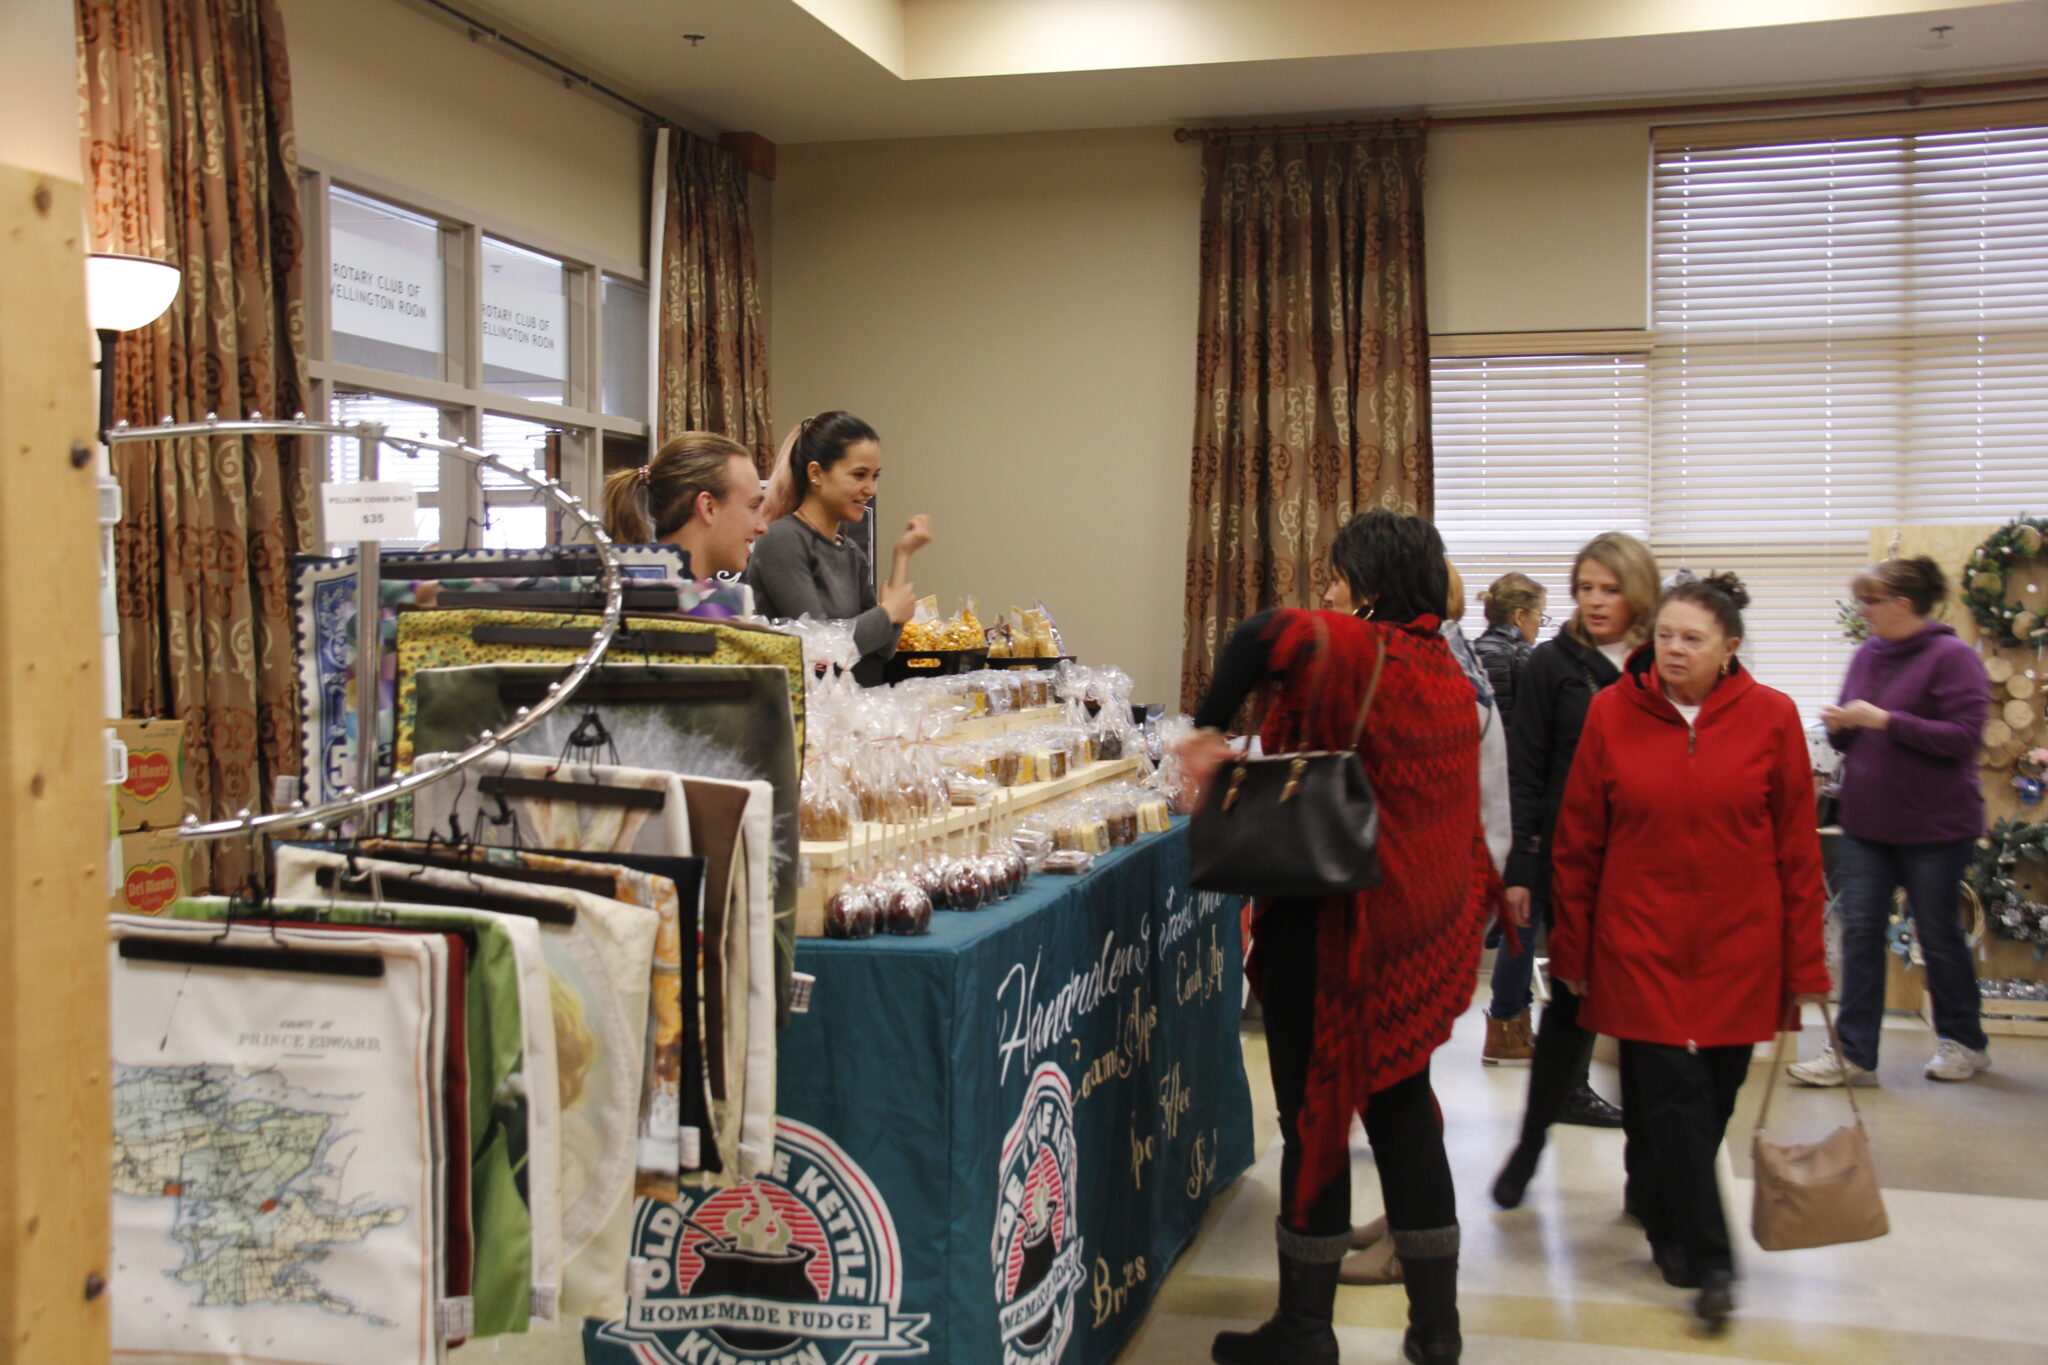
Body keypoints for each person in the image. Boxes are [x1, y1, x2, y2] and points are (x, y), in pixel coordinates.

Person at [1179, 510, 1497, 1365]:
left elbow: (1258, 634)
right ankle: (1437, 1329)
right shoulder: (1448, 673)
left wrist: (1204, 731)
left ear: (1371, 585)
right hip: (1411, 940)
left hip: (1331, 938)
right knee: (1405, 1119)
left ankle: (1305, 1329)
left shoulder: (1363, 648)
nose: (1326, 590)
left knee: (1314, 1122)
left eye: (1336, 576)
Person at [1547, 572, 1829, 1328]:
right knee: (1673, 1089)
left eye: (1693, 639)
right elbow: (1579, 839)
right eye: (1665, 635)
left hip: (1743, 943)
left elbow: (1798, 848)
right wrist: (1571, 947)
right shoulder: (1612, 712)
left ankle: (1657, 1199)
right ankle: (1711, 1258)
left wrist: (1806, 961)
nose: (1674, 649)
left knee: (1712, 1094)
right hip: (1638, 936)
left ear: (1729, 649)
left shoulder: (1772, 716)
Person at [1489, 533, 1659, 1172]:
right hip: (1573, 853)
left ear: (1638, 592)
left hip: (1647, 854)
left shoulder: (1660, 657)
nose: (1595, 601)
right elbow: (1526, 768)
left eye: (1610, 589)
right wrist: (1520, 868)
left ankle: (1648, 1150)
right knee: (1575, 984)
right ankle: (1560, 1101)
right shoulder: (1551, 664)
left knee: (1641, 994)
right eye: (1585, 588)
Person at [1790, 556, 1992, 1087]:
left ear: (1903, 604)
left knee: (1938, 935)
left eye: (1871, 602)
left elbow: (1964, 737)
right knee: (1859, 934)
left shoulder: (1953, 658)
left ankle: (1964, 1041)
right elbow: (1848, 734)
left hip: (1936, 829)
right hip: (1867, 825)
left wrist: (1885, 721)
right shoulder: (1866, 655)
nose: (1864, 611)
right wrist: (1840, 725)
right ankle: (1853, 1053)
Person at [746, 411, 934, 686]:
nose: (871, 489)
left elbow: (882, 650)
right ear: (816, 473)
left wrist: (902, 555)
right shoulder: (782, 539)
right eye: (859, 475)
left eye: (875, 476)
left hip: (847, 704)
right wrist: (887, 613)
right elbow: (819, 647)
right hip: (797, 705)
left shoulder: (851, 552)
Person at [599, 430, 767, 577]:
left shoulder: (630, 591)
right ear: (708, 508)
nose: (762, 528)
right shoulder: (681, 603)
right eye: (752, 507)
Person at [1472, 572, 1546, 724]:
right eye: (1540, 614)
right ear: (1519, 616)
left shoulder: (1468, 652)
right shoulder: (1525, 656)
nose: (1540, 622)